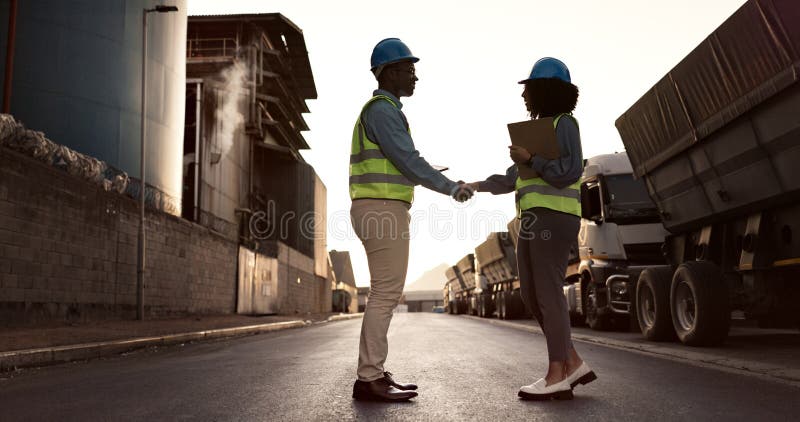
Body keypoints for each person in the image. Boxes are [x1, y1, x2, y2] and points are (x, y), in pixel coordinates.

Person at [350, 38, 474, 402]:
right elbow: (409, 160)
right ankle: (368, 377)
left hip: (380, 207)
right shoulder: (383, 109)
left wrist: (422, 171)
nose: (415, 76)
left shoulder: (384, 110)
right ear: (388, 73)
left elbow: (401, 162)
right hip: (381, 209)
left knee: (384, 292)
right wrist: (451, 187)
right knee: (385, 293)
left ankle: (373, 373)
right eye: (408, 70)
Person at [466, 57, 596, 400]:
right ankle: (572, 362)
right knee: (531, 295)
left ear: (546, 90)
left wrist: (531, 160)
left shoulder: (565, 124)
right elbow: (512, 179)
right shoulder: (536, 134)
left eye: (530, 89)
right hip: (533, 220)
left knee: (549, 293)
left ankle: (556, 373)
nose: (525, 97)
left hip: (554, 218)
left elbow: (568, 171)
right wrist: (473, 185)